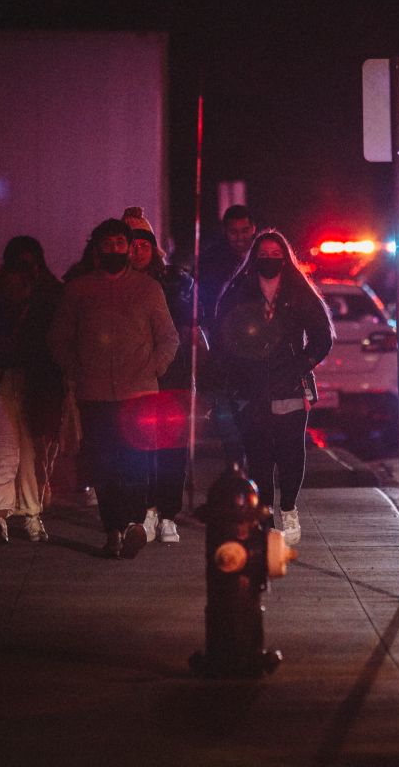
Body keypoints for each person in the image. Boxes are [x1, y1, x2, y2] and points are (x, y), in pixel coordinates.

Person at [48, 218, 179, 559]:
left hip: (138, 393)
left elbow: (168, 337)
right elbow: (59, 337)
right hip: (95, 394)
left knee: (134, 461)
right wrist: (74, 369)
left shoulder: (148, 289)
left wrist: (154, 369)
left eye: (120, 244)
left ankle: (135, 523)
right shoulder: (79, 290)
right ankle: (112, 530)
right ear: (96, 249)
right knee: (105, 466)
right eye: (107, 245)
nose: (114, 250)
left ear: (129, 247)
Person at [214, 229, 333, 545]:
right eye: (263, 254)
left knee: (291, 453)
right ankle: (264, 515)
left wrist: (300, 364)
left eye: (275, 254)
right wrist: (235, 372)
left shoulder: (299, 291)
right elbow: (221, 335)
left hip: (290, 386)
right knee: (259, 456)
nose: (269, 260)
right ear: (254, 258)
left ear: (285, 258)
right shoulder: (239, 290)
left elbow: (323, 336)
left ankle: (289, 508)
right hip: (252, 390)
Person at [0, 236, 64, 544]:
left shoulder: (49, 296)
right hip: (4, 379)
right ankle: (3, 513)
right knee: (5, 449)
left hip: (35, 381)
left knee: (33, 451)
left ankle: (28, 513)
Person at [123, 206, 197, 544]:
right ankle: (144, 510)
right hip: (131, 378)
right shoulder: (114, 282)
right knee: (137, 447)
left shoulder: (176, 280)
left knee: (170, 447)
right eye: (131, 243)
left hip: (171, 376)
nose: (137, 250)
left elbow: (191, 322)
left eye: (144, 243)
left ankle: (167, 513)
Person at [197, 204, 257, 466]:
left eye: (245, 230)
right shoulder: (211, 261)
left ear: (253, 228)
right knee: (226, 419)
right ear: (225, 232)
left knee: (253, 421)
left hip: (257, 354)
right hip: (222, 354)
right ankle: (237, 471)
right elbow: (202, 305)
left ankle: (251, 474)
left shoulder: (264, 256)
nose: (240, 237)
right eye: (234, 232)